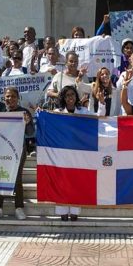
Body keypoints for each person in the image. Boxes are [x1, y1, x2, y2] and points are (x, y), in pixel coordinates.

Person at [0, 67, 31, 220]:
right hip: (1, 149)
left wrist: (28, 122)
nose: (9, 99)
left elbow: (31, 132)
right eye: (7, 96)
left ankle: (19, 208)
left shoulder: (23, 112)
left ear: (17, 98)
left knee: (16, 178)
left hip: (19, 150)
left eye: (12, 97)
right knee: (1, 177)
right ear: (4, 98)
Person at [54, 85, 89, 220]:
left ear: (76, 97)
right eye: (67, 95)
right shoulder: (57, 112)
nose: (70, 97)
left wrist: (102, 103)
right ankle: (62, 210)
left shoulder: (83, 111)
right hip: (62, 154)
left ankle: (74, 211)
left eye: (73, 95)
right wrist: (41, 114)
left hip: (78, 154)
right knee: (62, 183)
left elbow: (97, 119)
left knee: (76, 182)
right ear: (63, 97)